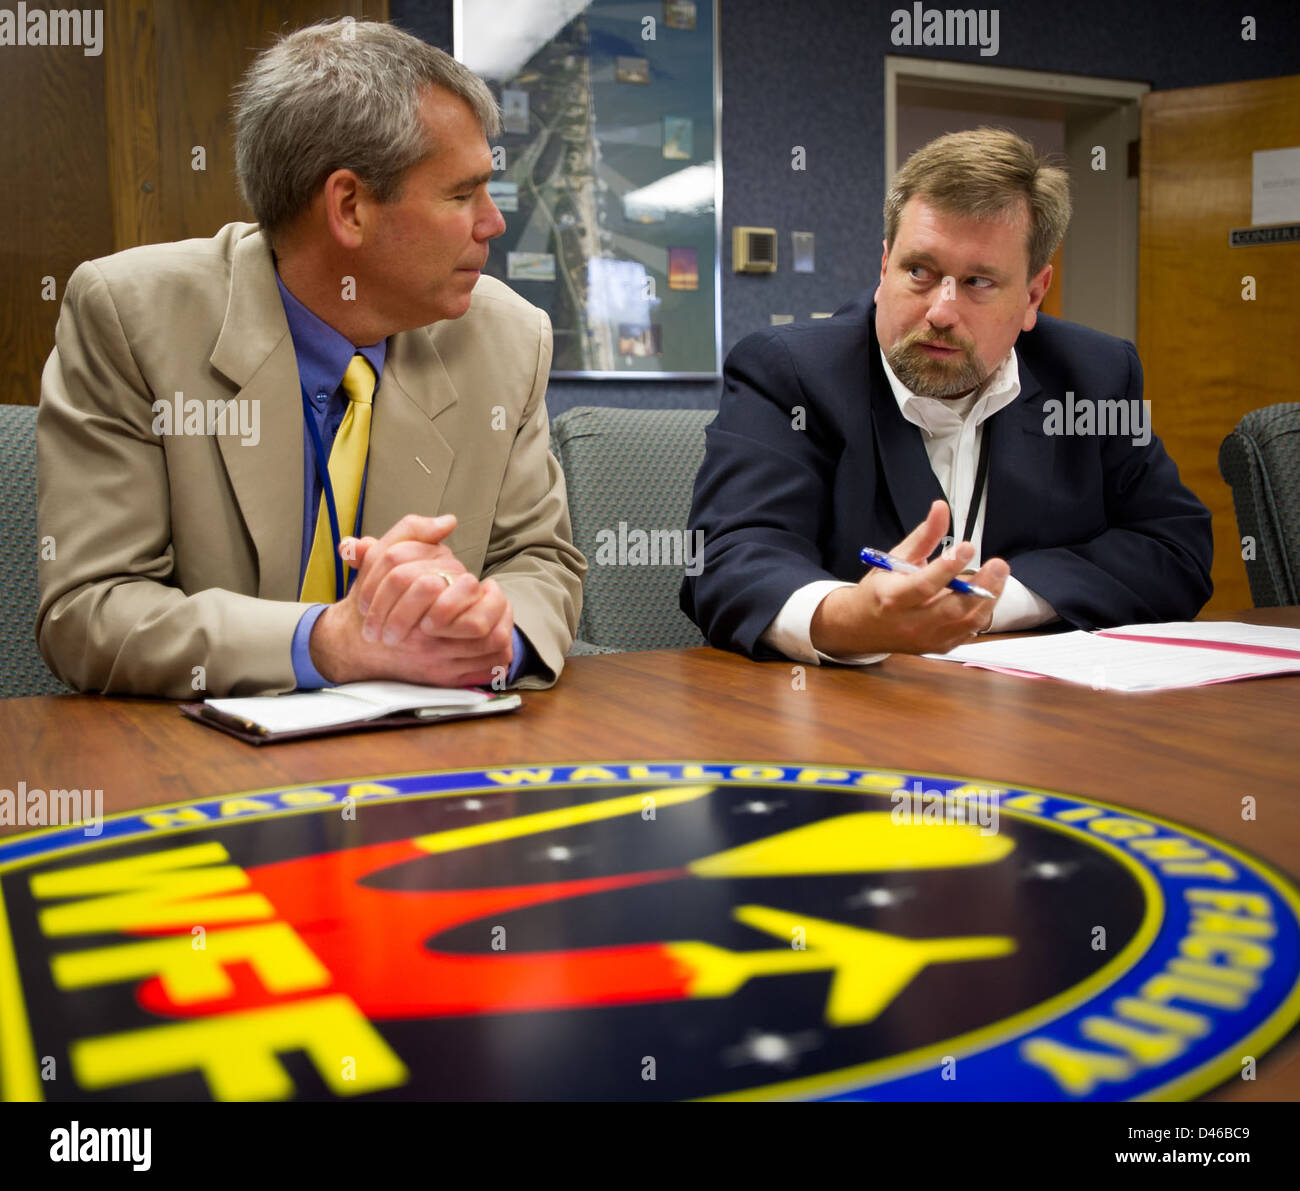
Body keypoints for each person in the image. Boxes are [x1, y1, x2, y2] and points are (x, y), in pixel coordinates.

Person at [37, 19, 584, 699]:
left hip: (428, 764)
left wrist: (487, 632)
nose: (493, 222)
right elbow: (88, 608)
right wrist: (328, 642)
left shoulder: (508, 338)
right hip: (201, 771)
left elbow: (540, 561)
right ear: (350, 206)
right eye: (461, 193)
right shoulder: (129, 316)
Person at [682, 127, 1212, 665]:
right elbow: (727, 559)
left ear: (1033, 295)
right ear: (883, 266)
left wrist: (990, 603)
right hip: (840, 715)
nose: (940, 311)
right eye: (919, 271)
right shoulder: (791, 372)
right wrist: (852, 619)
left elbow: (1175, 550)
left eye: (979, 282)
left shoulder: (1093, 377)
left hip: (1036, 719)